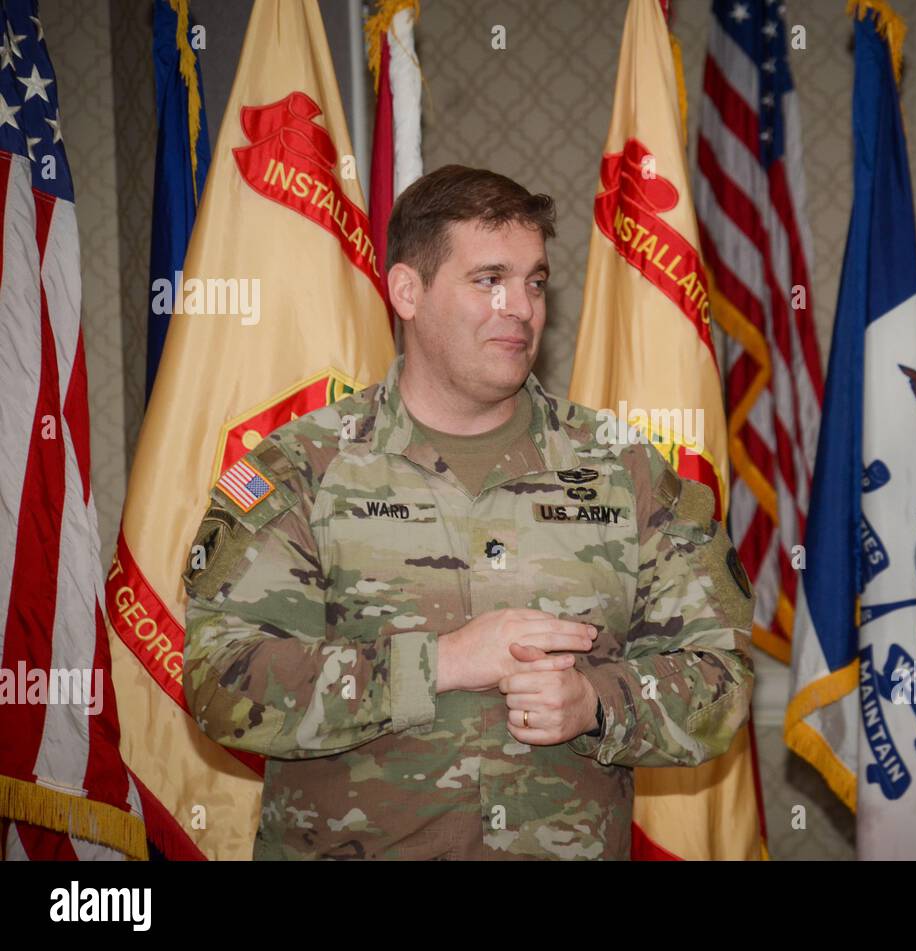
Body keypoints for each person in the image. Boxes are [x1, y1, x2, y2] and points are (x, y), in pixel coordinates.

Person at [181, 164, 755, 860]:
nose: (520, 306)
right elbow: (220, 682)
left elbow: (721, 680)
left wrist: (598, 703)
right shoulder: (301, 469)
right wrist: (439, 663)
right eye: (489, 279)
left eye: (534, 281)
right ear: (407, 291)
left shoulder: (627, 470)